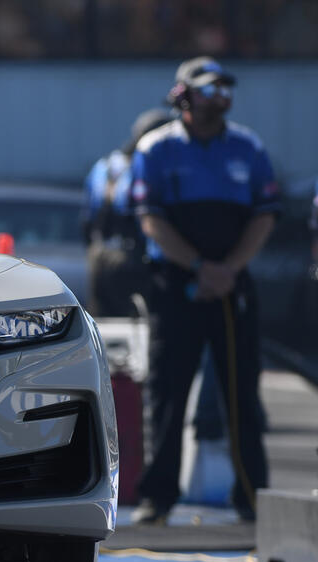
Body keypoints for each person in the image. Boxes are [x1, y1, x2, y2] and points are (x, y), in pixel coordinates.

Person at [129, 57, 278, 525]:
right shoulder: (157, 148)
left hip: (232, 283)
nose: (219, 98)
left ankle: (252, 496)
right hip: (176, 284)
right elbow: (151, 220)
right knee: (167, 393)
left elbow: (264, 215)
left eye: (224, 90)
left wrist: (227, 269)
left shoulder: (248, 146)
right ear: (183, 96)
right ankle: (158, 497)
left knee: (241, 393)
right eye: (208, 90)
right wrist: (198, 267)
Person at [82, 107, 173, 317]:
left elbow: (87, 220)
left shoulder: (104, 166)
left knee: (102, 325)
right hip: (135, 261)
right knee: (142, 325)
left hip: (99, 257)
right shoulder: (148, 165)